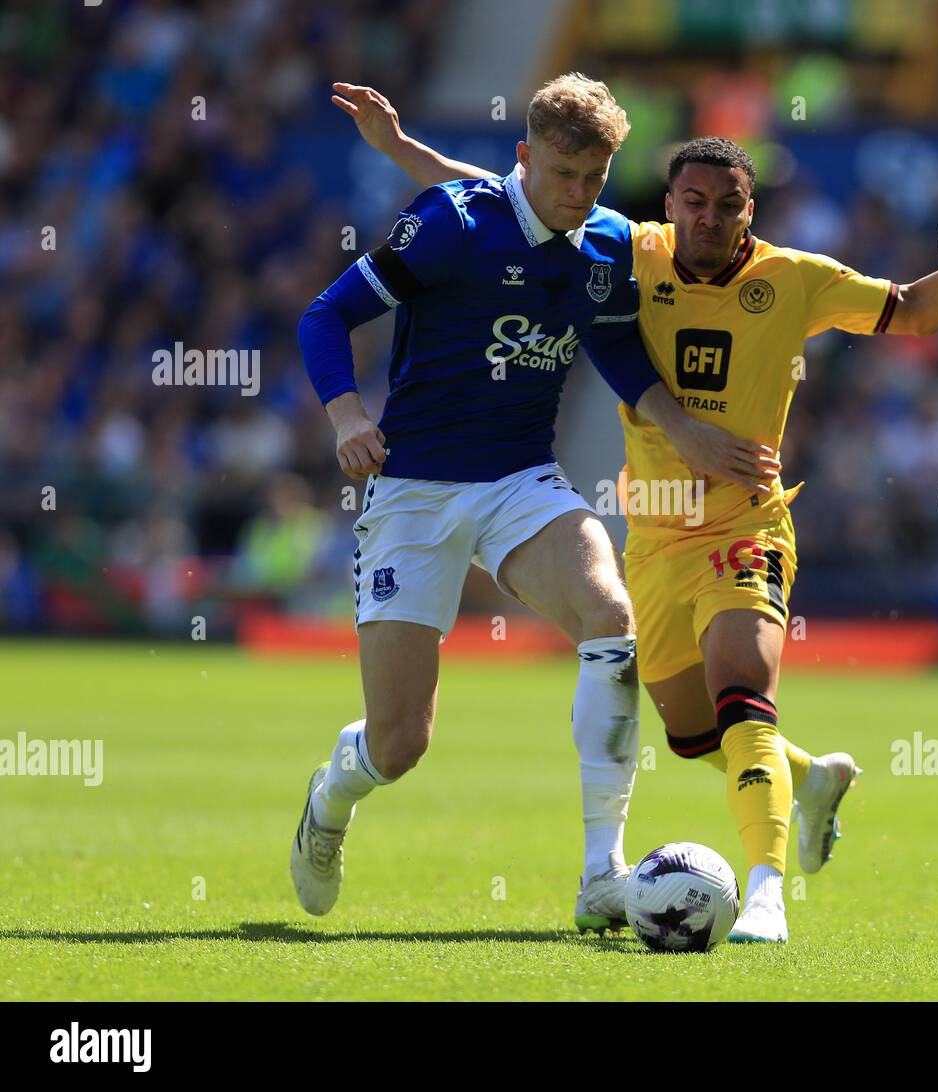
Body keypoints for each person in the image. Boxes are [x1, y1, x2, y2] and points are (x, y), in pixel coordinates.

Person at [340, 85, 938, 942]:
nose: (710, 218)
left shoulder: (794, 279)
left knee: (741, 693)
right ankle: (810, 780)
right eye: (694, 202)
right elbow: (510, 192)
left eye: (728, 205)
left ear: (748, 210)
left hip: (744, 523)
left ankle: (765, 893)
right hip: (652, 531)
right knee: (689, 734)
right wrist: (400, 150)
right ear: (671, 205)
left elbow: (912, 310)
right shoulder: (628, 252)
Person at [293, 74, 778, 935]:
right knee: (399, 745)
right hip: (413, 490)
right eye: (563, 176)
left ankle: (601, 872)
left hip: (520, 479)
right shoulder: (450, 223)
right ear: (527, 160)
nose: (579, 196)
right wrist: (346, 417)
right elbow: (325, 317)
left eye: (595, 179)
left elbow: (620, 350)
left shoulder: (606, 244)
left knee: (609, 617)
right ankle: (333, 794)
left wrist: (688, 431)